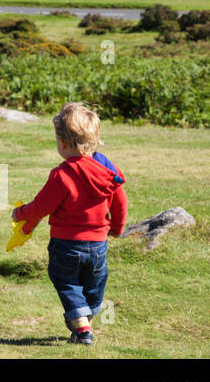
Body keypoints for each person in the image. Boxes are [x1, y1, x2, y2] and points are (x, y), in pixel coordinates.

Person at [12, 103, 127, 346]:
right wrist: (117, 227)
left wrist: (20, 213)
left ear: (63, 143)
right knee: (94, 282)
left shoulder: (62, 175)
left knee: (65, 281)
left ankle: (82, 325)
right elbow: (120, 200)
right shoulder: (107, 169)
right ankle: (87, 316)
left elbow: (42, 207)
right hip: (98, 244)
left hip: (66, 244)